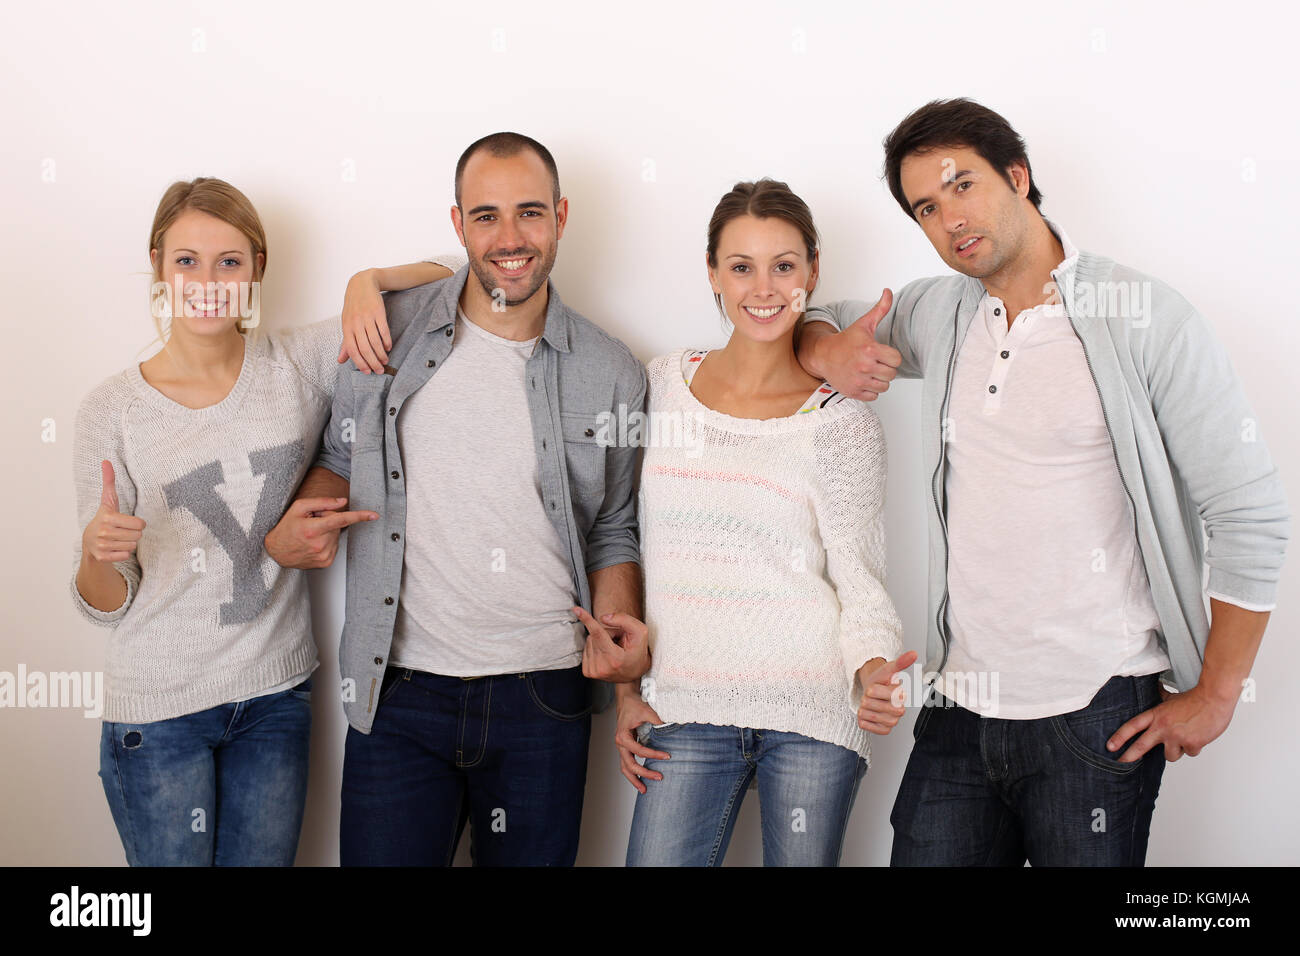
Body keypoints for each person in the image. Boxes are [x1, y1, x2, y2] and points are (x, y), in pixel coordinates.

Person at [796, 98, 1289, 866]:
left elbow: (1249, 512)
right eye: (926, 206)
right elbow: (816, 317)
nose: (950, 218)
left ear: (1018, 177)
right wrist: (828, 355)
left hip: (1096, 715)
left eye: (963, 185)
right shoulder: (939, 311)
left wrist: (1218, 694)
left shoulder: (1144, 318)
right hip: (959, 709)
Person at [265, 132, 649, 866]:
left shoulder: (612, 371)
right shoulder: (387, 328)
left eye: (530, 213)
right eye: (486, 217)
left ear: (562, 216)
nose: (510, 238)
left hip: (544, 696)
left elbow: (613, 529)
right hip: (400, 692)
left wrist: (621, 641)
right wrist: (298, 521)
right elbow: (342, 455)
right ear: (457, 224)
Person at [70, 178, 461, 865]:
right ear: (158, 265)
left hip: (273, 701)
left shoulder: (298, 365)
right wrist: (98, 554)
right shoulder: (112, 411)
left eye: (230, 261)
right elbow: (107, 603)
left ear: (258, 269)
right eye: (187, 260)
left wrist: (364, 281)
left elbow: (446, 280)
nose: (208, 281)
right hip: (159, 717)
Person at [604, 179, 913, 866]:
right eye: (741, 266)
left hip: (812, 711)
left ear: (813, 271)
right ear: (712, 271)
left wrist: (872, 674)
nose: (764, 287)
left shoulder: (844, 424)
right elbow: (616, 533)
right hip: (682, 707)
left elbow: (860, 579)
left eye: (784, 265)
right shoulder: (658, 388)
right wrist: (627, 692)